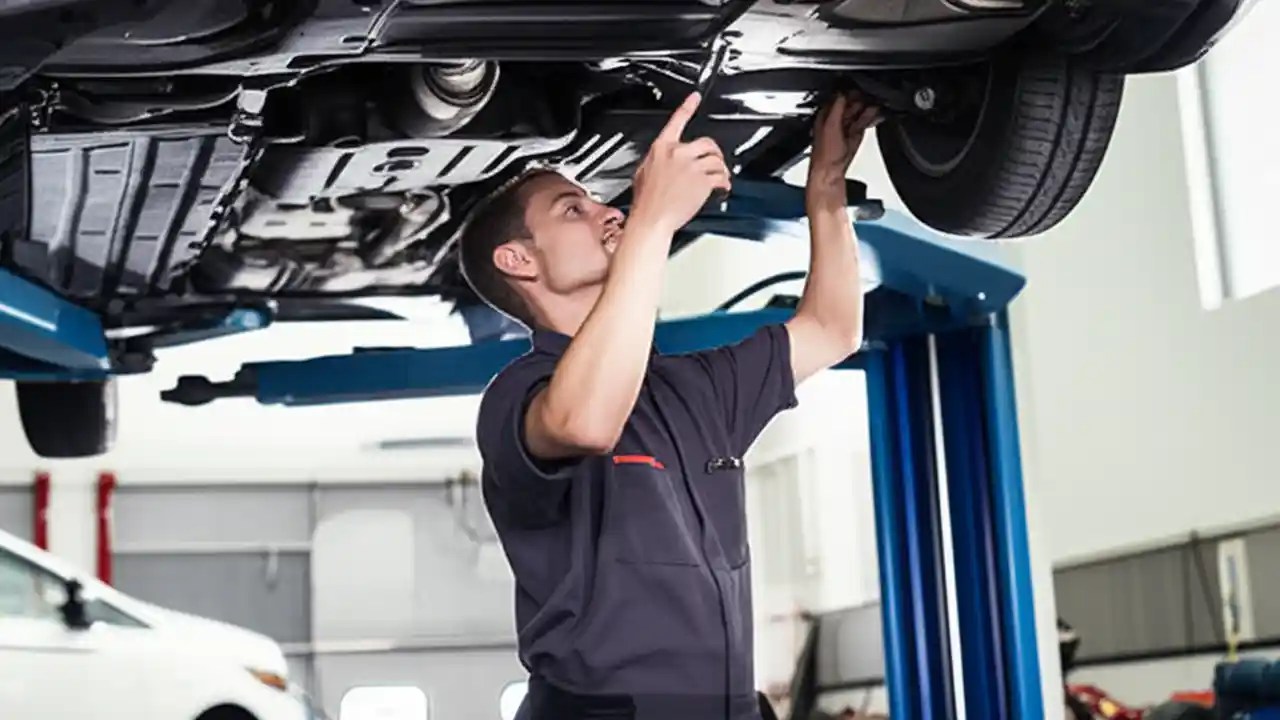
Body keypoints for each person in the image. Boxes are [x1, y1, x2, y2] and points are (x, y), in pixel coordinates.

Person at [461, 90, 881, 720]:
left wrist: (825, 183)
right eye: (573, 208)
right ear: (519, 260)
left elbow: (831, 328)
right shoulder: (517, 397)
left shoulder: (695, 389)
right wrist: (653, 223)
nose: (608, 213)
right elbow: (586, 420)